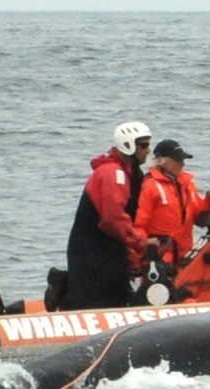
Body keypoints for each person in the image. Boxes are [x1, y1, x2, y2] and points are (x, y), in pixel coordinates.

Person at [57, 121, 153, 310]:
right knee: (95, 302)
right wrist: (141, 243)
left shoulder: (132, 175)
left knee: (117, 297)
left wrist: (133, 259)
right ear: (129, 146)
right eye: (143, 145)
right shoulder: (112, 174)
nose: (148, 150)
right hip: (93, 254)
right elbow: (113, 219)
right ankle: (61, 293)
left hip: (110, 253)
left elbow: (126, 220)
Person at [133, 139, 210, 290]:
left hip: (185, 254)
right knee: (160, 293)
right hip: (160, 255)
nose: (182, 164)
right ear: (162, 161)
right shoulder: (150, 186)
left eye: (182, 160)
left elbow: (196, 211)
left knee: (184, 293)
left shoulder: (187, 184)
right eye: (178, 160)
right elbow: (139, 224)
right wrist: (143, 248)